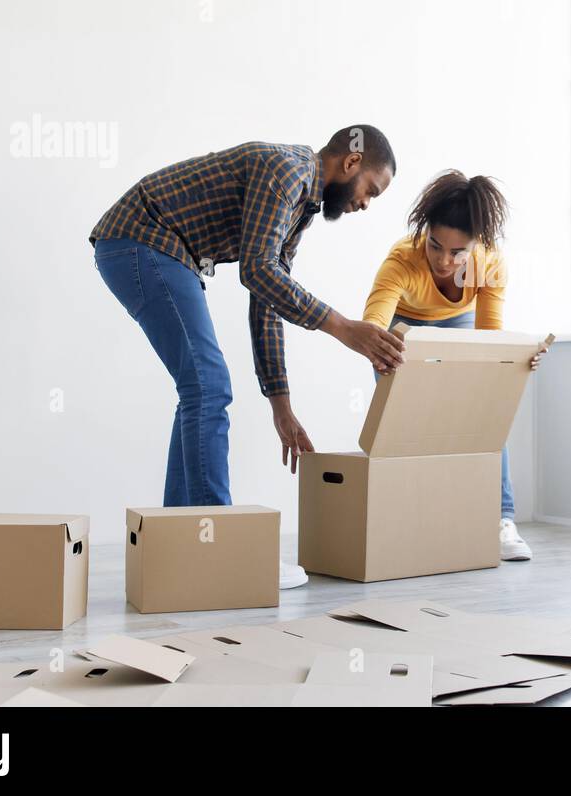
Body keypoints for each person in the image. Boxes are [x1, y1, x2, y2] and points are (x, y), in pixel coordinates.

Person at [89, 127, 406, 589]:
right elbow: (258, 269)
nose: (364, 204)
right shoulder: (287, 171)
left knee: (201, 389)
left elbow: (267, 295)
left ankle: (179, 545)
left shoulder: (301, 209)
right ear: (352, 163)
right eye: (370, 191)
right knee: (208, 387)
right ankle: (218, 550)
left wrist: (281, 404)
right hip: (143, 238)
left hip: (156, 248)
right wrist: (343, 329)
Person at [362, 170, 547, 562]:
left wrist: (512, 362)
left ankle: (501, 520)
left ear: (476, 247)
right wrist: (383, 347)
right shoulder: (401, 260)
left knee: (484, 412)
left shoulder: (491, 264)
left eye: (457, 252)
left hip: (457, 322)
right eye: (435, 246)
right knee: (404, 422)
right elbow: (373, 326)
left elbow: (490, 341)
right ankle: (399, 521)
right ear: (424, 233)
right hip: (404, 325)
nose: (444, 260)